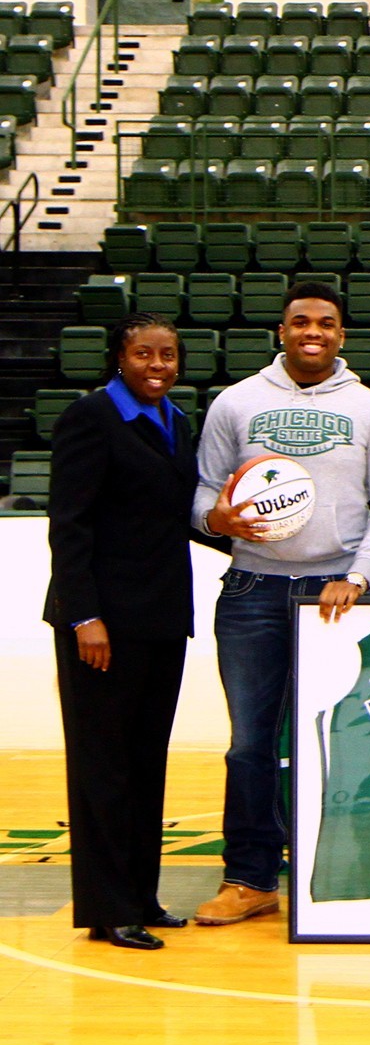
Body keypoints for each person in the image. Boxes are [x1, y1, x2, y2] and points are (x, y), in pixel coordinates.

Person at [192, 281, 370, 926]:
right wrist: (216, 520)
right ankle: (251, 878)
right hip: (253, 592)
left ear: (342, 335)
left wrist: (362, 575)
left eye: (325, 322)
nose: (311, 331)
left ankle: (345, 863)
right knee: (249, 744)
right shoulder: (236, 404)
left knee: (345, 742)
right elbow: (204, 492)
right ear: (280, 331)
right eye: (299, 321)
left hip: (335, 596)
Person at [44, 314, 211, 949]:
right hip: (101, 625)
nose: (158, 366)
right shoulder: (89, 418)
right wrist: (85, 616)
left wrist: (233, 523)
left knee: (145, 762)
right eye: (145, 354)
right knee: (102, 767)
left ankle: (142, 894)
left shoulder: (176, 422)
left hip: (162, 618)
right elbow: (70, 526)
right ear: (121, 356)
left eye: (168, 355)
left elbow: (178, 519)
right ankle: (108, 908)